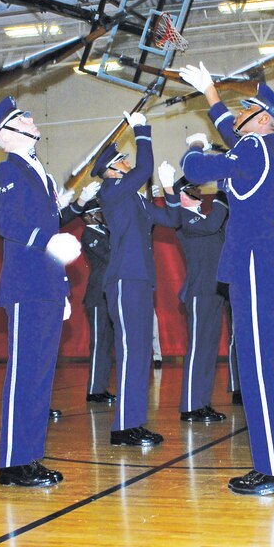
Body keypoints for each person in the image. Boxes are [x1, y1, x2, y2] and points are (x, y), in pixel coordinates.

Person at [178, 62, 274, 496]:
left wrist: (193, 146)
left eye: (246, 109)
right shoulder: (273, 151)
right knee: (258, 368)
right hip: (268, 263)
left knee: (256, 370)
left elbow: (196, 171)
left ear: (263, 119)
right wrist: (210, 94)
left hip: (254, 263)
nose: (239, 113)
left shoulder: (254, 150)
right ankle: (273, 466)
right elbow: (234, 137)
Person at [0, 96, 82, 487]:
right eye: (22, 116)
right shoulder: (6, 172)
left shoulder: (40, 173)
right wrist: (50, 242)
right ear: (9, 133)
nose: (31, 118)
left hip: (45, 286)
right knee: (25, 374)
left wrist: (62, 291)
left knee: (41, 376)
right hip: (25, 286)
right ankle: (12, 462)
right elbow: (9, 224)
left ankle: (28, 457)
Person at [93, 115, 179, 447]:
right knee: (131, 351)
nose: (128, 162)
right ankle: (124, 427)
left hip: (140, 278)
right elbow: (143, 171)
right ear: (112, 171)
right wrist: (142, 132)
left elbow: (172, 218)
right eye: (122, 160)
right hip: (125, 278)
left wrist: (169, 188)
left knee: (141, 351)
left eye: (127, 158)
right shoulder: (111, 191)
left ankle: (133, 422)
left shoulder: (135, 198)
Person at [164, 176, 229, 424]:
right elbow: (213, 224)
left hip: (214, 290)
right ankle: (190, 405)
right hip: (199, 291)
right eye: (192, 190)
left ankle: (202, 402)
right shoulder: (184, 217)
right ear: (182, 195)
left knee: (209, 349)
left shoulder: (202, 218)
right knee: (197, 349)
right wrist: (223, 194)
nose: (197, 193)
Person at [79, 201, 117, 403]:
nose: (101, 214)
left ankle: (101, 387)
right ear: (88, 216)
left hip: (108, 293)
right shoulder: (89, 235)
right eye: (97, 212)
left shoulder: (105, 231)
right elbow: (109, 255)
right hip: (96, 296)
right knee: (98, 344)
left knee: (107, 343)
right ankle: (94, 389)